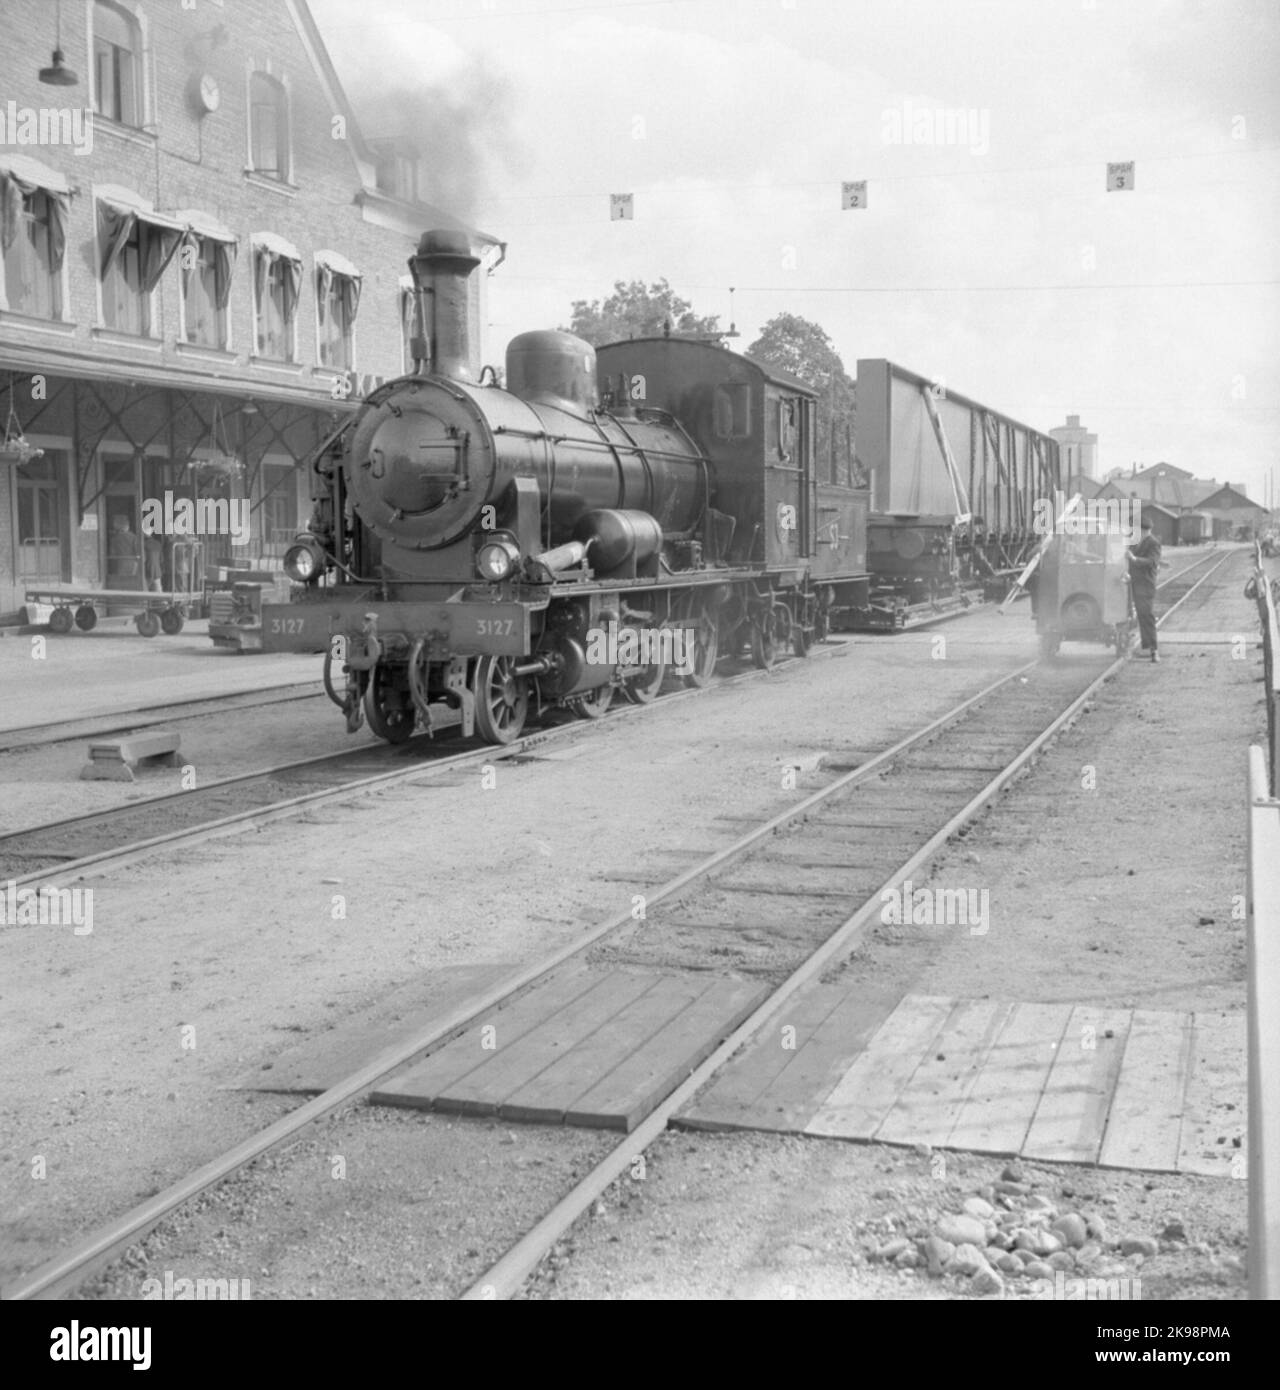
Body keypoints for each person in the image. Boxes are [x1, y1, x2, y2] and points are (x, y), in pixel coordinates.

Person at [1127, 515, 1162, 662]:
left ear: (1143, 530)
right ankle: (1140, 645)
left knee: (1147, 616)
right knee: (1135, 615)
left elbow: (1152, 562)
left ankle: (1154, 649)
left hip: (1146, 585)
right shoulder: (1135, 543)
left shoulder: (1153, 543)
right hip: (1133, 584)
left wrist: (1134, 559)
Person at [107, 513, 142, 590]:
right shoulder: (134, 537)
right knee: (132, 582)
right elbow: (138, 552)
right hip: (132, 563)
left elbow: (112, 553)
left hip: (119, 564)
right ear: (127, 526)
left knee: (121, 582)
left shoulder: (114, 539)